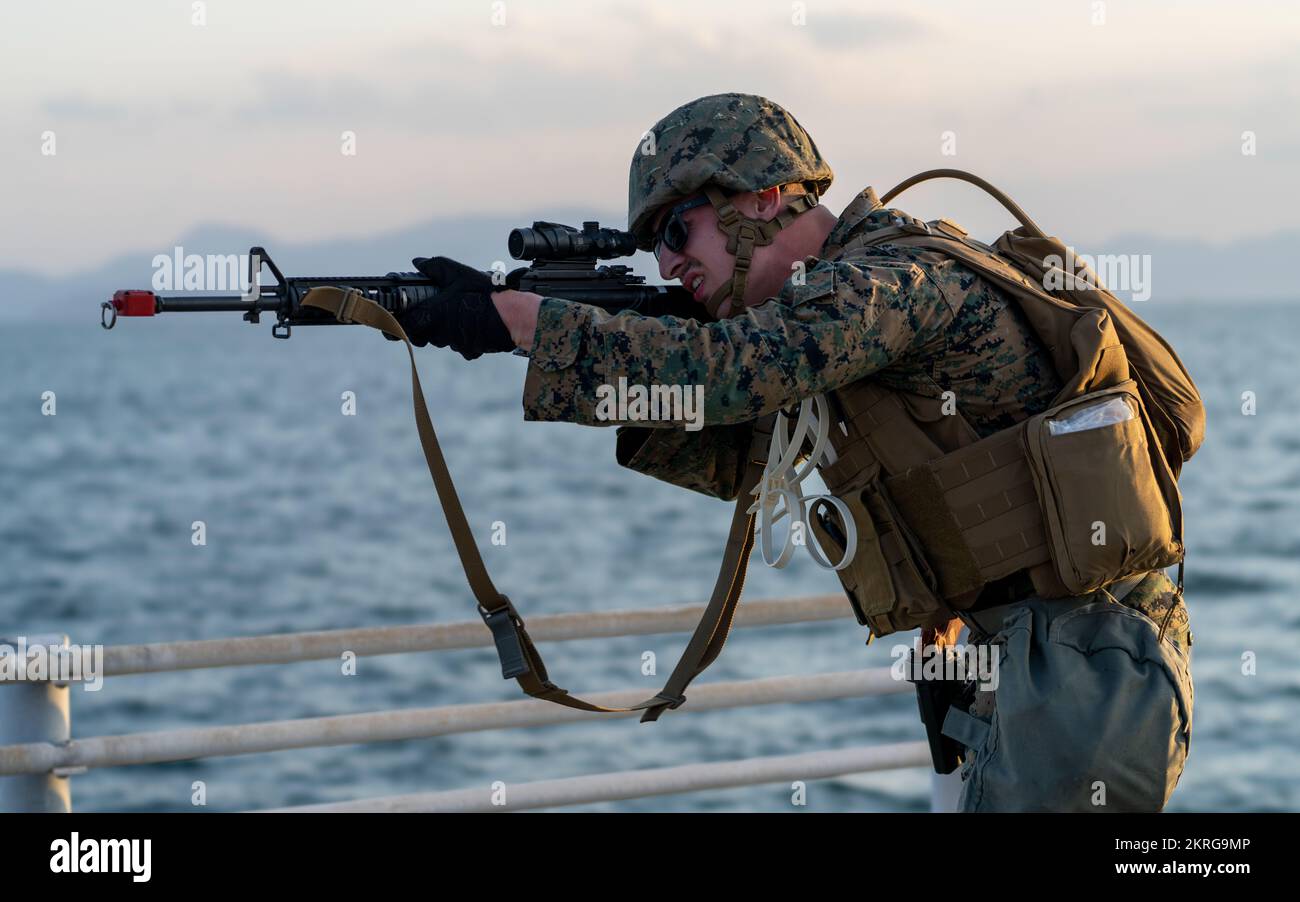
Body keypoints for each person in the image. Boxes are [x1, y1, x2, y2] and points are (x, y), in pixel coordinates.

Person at [394, 93, 1194, 812]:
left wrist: (530, 324)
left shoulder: (892, 280)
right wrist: (517, 332)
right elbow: (729, 451)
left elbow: (727, 376)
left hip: (1074, 668)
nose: (670, 263)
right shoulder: (841, 309)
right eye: (656, 250)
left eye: (679, 229)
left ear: (766, 197)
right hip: (1020, 665)